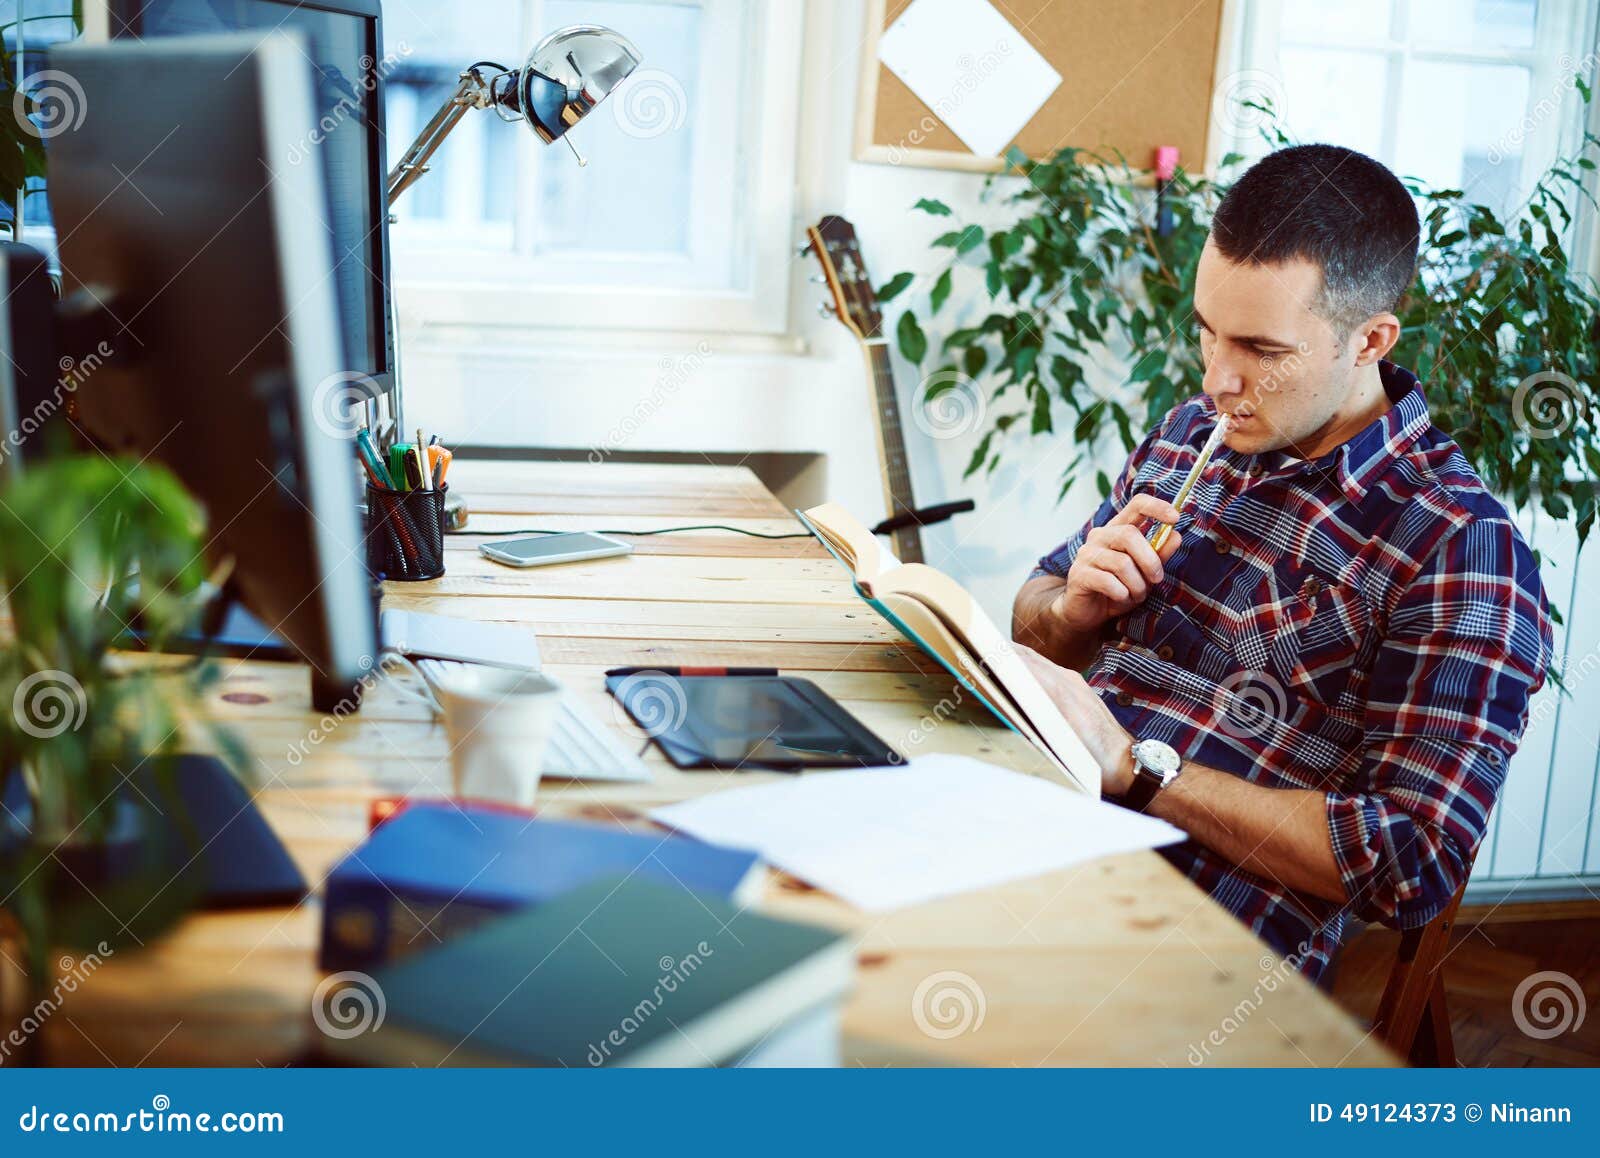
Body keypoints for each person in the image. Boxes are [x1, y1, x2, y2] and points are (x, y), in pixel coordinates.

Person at [1011, 144, 1553, 982]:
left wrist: (1139, 770)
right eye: (1207, 332)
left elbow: (1411, 862)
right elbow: (1040, 620)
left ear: (1370, 338)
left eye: (1263, 350)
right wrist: (1071, 610)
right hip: (1038, 817)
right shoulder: (1190, 433)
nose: (1219, 379)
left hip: (1187, 924)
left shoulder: (1460, 547)